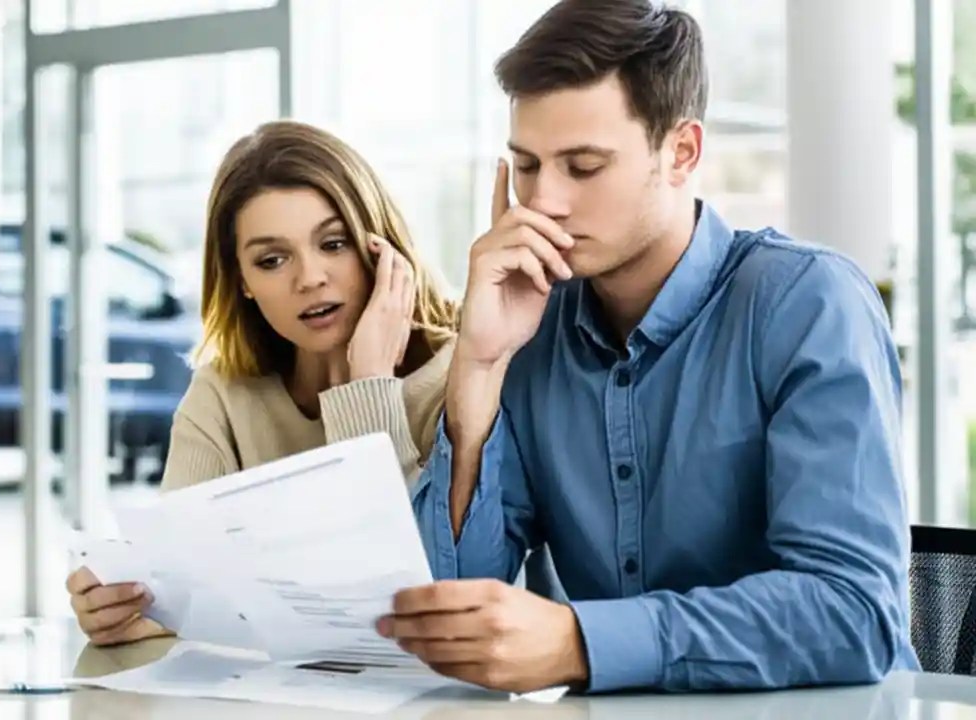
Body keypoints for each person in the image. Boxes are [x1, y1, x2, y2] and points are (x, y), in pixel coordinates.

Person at [377, 0, 918, 695]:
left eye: (583, 165)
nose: (544, 201)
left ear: (681, 152)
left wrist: (582, 642)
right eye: (527, 166)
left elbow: (854, 614)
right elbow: (447, 610)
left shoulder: (809, 305)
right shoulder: (529, 325)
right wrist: (479, 366)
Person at [66, 120, 460, 647]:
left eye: (334, 243)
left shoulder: (461, 374)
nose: (310, 277)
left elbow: (412, 597)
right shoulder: (224, 393)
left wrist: (368, 385)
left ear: (381, 248)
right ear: (243, 282)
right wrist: (123, 611)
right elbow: (188, 600)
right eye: (272, 260)